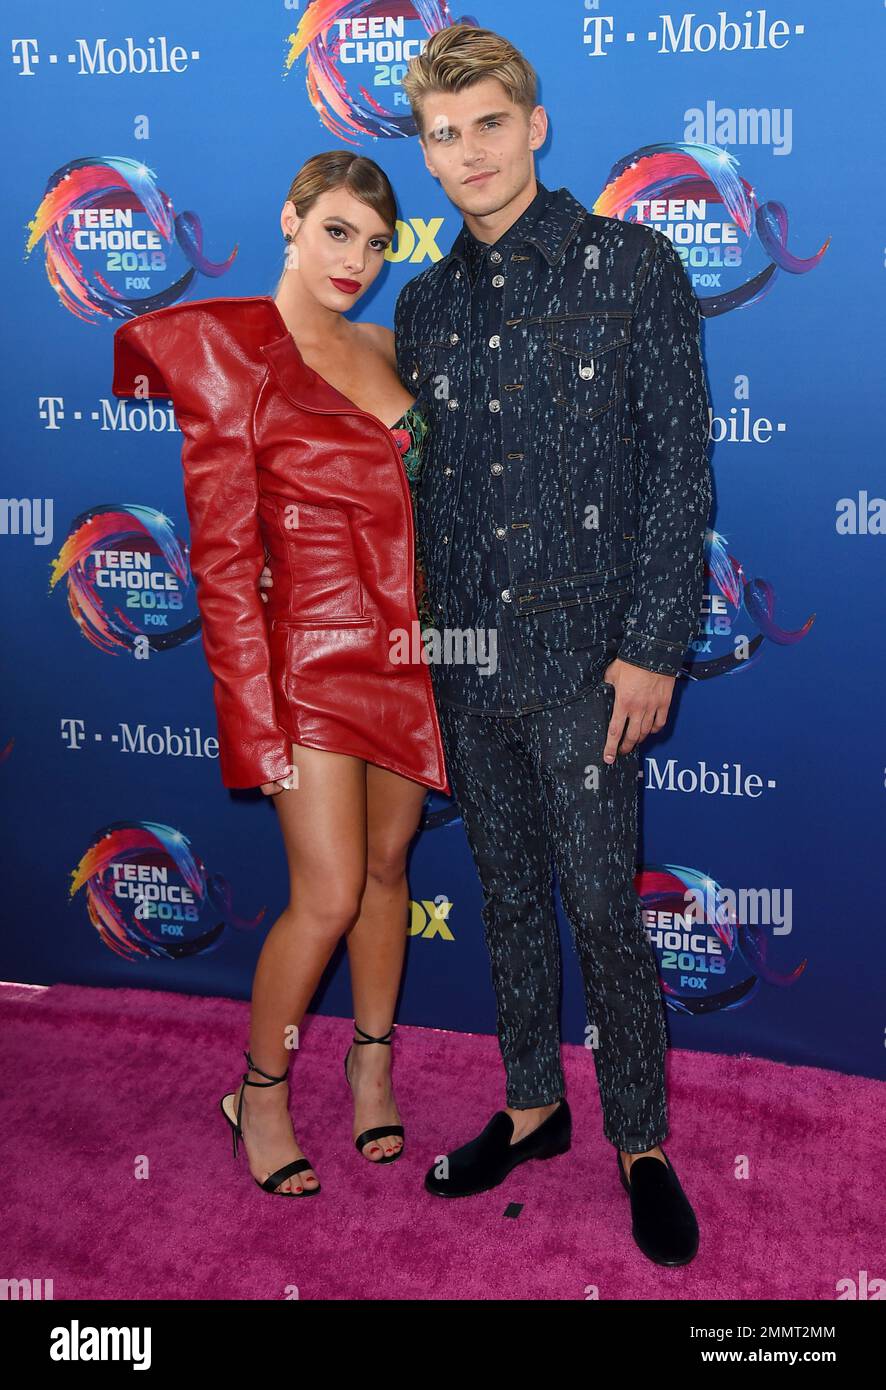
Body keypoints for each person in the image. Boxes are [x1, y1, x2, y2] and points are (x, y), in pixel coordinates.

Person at [391, 24, 712, 1265]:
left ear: (534, 124)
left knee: (598, 906)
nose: (466, 152)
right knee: (508, 898)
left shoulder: (632, 265)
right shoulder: (421, 304)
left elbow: (681, 471)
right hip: (466, 663)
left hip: (592, 665)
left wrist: (653, 644)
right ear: (422, 152)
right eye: (441, 133)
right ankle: (532, 1106)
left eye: (486, 123)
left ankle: (638, 1136)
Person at [111, 151, 449, 1196]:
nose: (357, 259)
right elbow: (217, 562)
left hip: (409, 649)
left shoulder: (387, 345)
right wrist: (249, 720)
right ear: (291, 221)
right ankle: (257, 1091)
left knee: (391, 870)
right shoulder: (230, 355)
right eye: (338, 231)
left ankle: (371, 1060)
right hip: (304, 656)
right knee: (331, 892)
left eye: (377, 243)